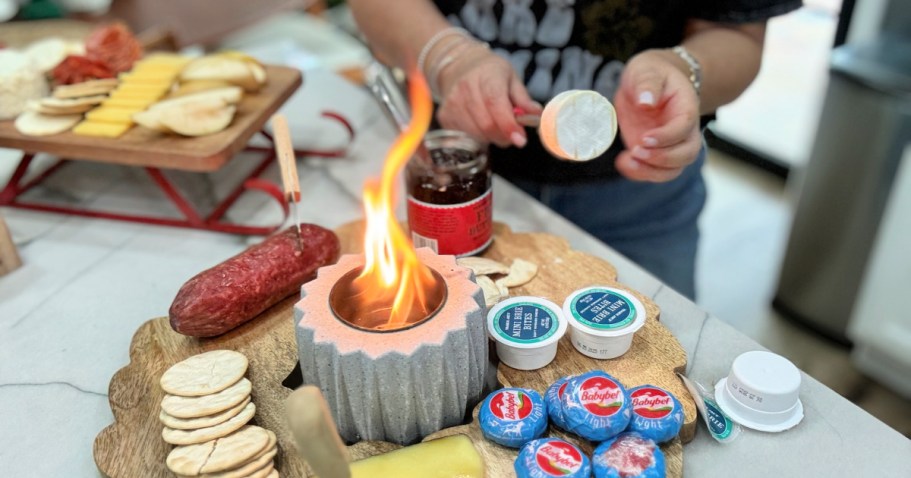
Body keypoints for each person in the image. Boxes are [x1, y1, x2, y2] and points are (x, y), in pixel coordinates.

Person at [347, 0, 801, 299]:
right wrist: (450, 57)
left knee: (651, 356)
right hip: (459, 181)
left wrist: (682, 68)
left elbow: (739, 34)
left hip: (638, 201)